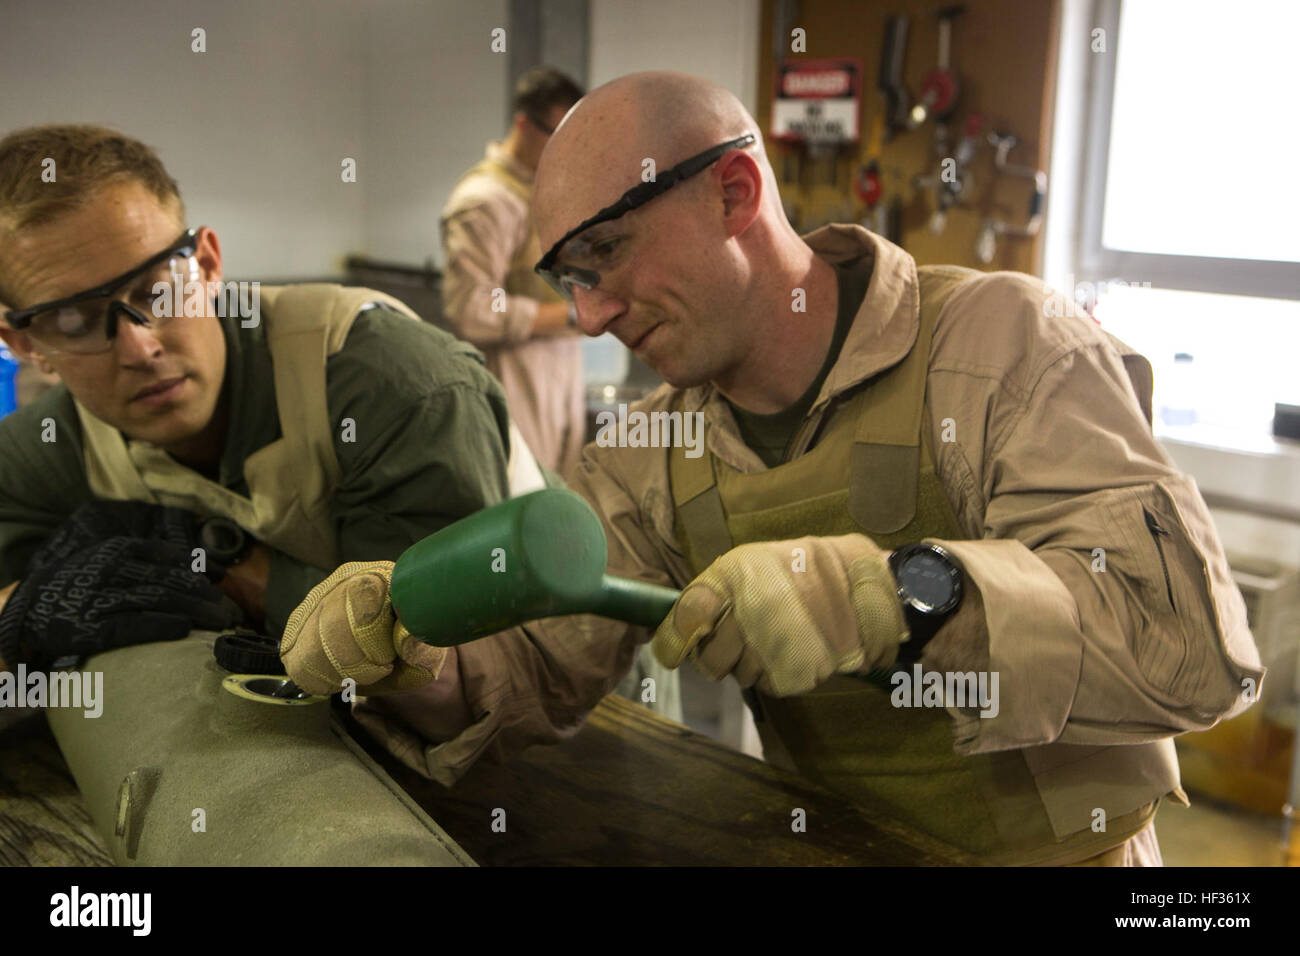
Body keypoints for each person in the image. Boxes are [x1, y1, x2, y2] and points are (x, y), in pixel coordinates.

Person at [281, 72, 1263, 866]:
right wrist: (411, 660)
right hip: (842, 845)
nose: (587, 316)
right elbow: (540, 667)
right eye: (569, 280)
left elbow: (1192, 647)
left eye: (607, 254)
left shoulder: (1001, 349)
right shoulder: (650, 448)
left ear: (735, 193)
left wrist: (887, 599)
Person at [0, 124, 515, 686]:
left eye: (157, 291)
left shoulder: (400, 391)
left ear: (208, 262)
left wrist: (218, 568)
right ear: (25, 344)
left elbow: (431, 667)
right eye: (73, 321)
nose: (141, 346)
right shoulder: (44, 449)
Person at [440, 66, 587, 478]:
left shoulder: (545, 190)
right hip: (513, 376)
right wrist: (571, 314)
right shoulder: (485, 200)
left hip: (561, 368)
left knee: (563, 497)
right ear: (523, 123)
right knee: (523, 498)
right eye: (555, 135)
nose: (564, 150)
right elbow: (470, 309)